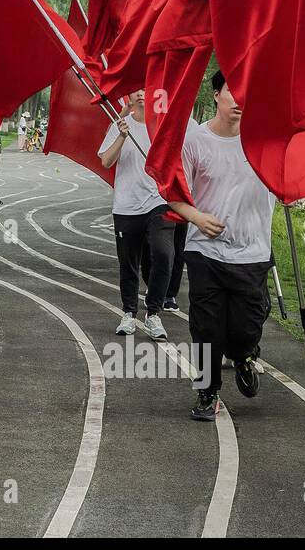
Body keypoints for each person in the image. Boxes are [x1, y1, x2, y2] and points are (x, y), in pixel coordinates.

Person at [168, 72, 276, 422]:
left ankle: (244, 355)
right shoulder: (195, 141)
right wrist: (197, 218)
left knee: (245, 328)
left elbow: (289, 176)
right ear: (216, 95)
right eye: (233, 92)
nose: (240, 100)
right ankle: (206, 391)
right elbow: (173, 194)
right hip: (206, 250)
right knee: (205, 327)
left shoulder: (265, 139)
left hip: (252, 250)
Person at [98, 90, 173, 341]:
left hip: (158, 202)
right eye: (136, 90)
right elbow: (107, 161)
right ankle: (129, 312)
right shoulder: (119, 125)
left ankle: (153, 313)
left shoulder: (161, 126)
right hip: (126, 206)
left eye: (146, 89)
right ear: (128, 97)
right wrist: (121, 135)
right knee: (128, 263)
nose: (142, 94)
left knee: (163, 253)